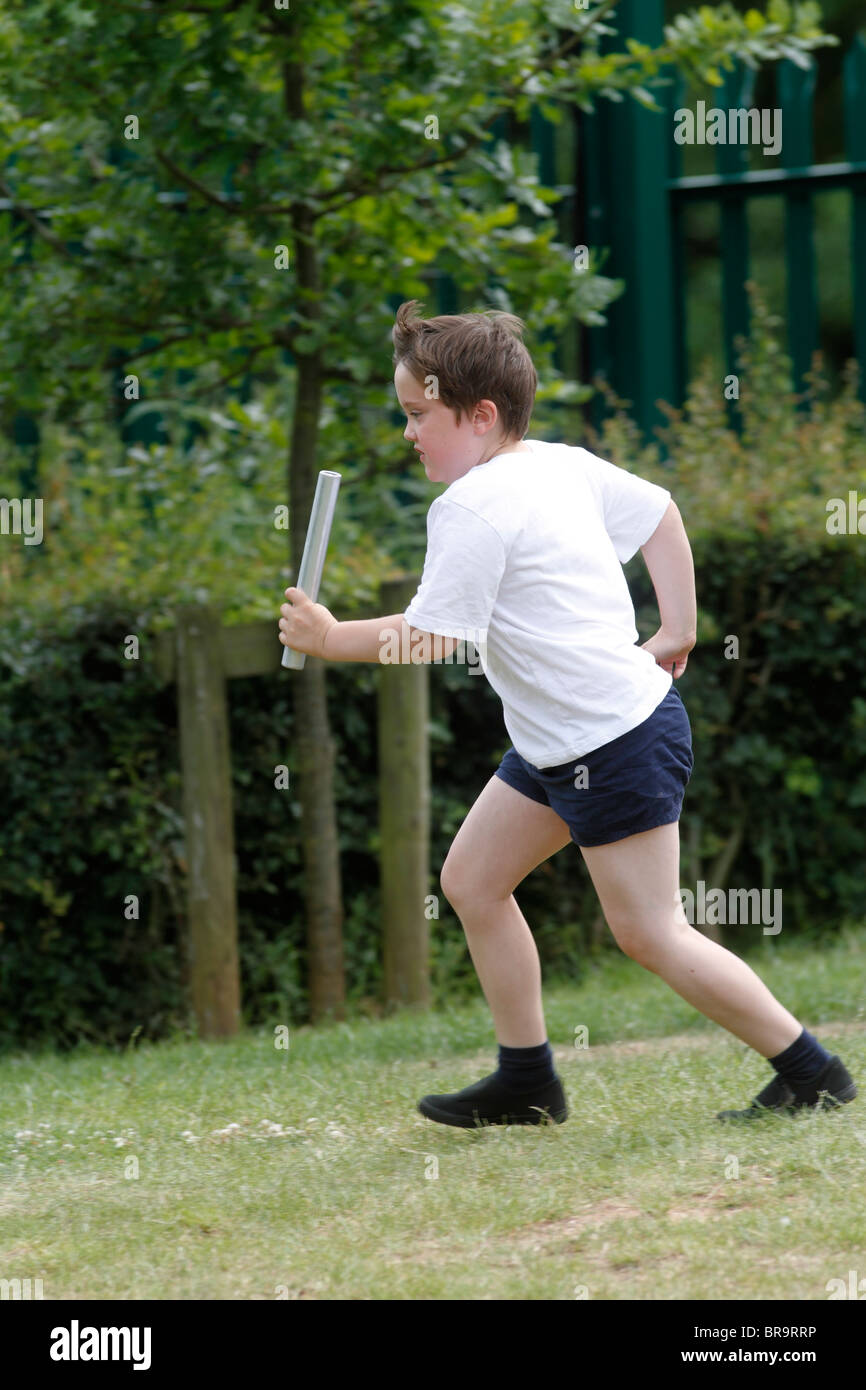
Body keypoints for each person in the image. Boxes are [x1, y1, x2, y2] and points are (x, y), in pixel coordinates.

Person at [278, 299, 857, 1129]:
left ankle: (813, 1073)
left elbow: (436, 638)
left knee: (650, 931)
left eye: (418, 415)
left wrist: (331, 637)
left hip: (614, 740)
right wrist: (680, 625)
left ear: (479, 416)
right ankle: (527, 1083)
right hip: (562, 742)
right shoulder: (558, 463)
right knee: (473, 883)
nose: (407, 433)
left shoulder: (471, 508)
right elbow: (661, 512)